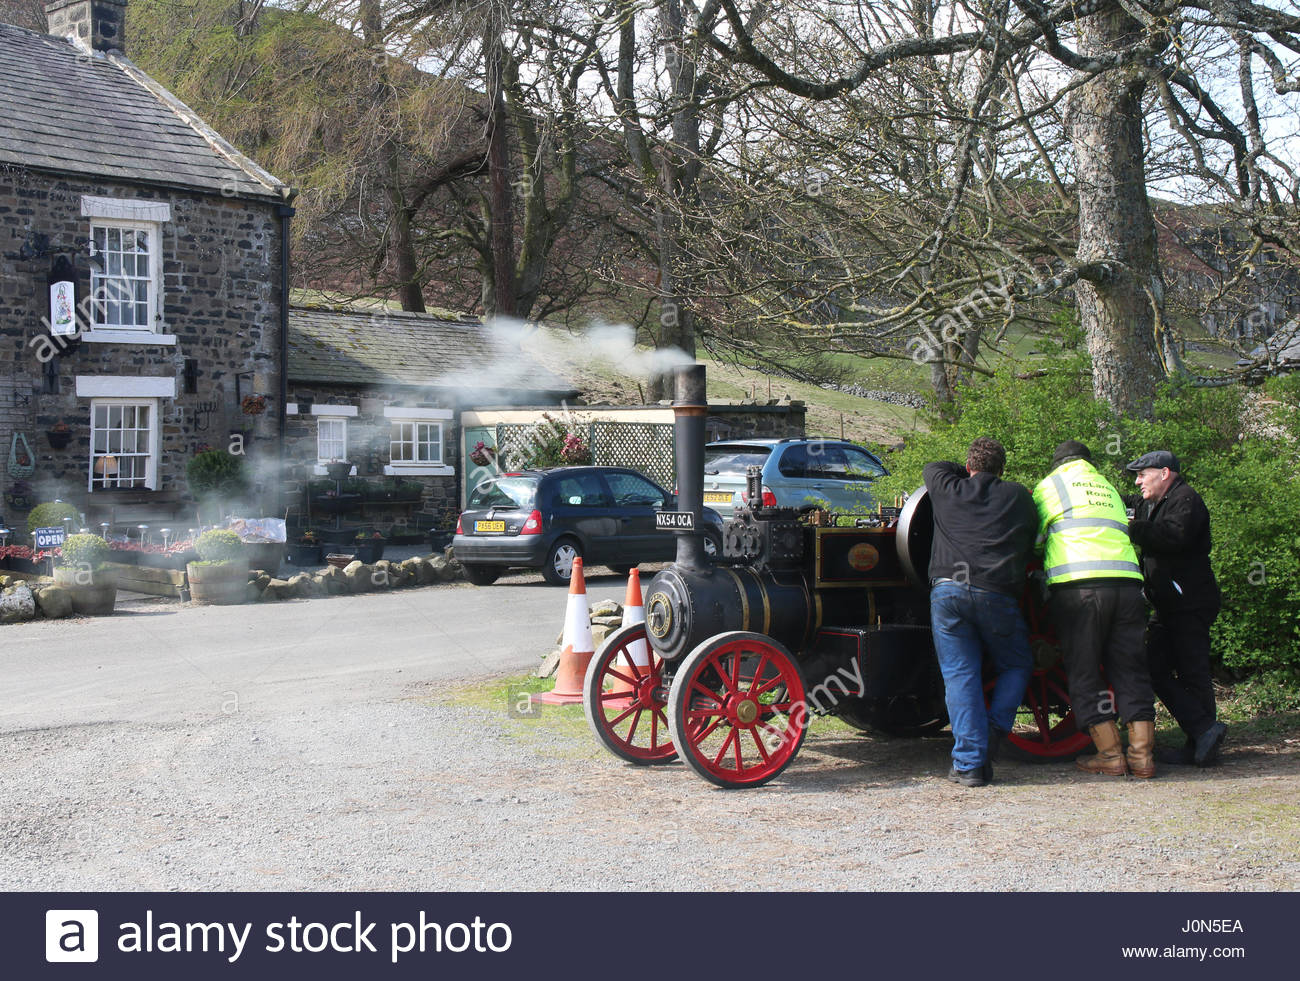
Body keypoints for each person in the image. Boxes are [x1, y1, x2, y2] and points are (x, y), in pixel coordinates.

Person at [1032, 440, 1156, 778]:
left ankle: (1111, 755)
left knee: (1085, 669)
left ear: (1058, 463)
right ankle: (1143, 757)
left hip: (1079, 588)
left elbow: (1033, 539)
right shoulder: (1108, 488)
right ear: (1088, 462)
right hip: (1128, 586)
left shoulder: (1051, 486)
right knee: (1130, 669)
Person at [923, 437, 1037, 788]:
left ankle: (969, 764)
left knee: (960, 675)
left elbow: (934, 467)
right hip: (996, 592)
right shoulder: (1018, 496)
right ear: (1003, 469)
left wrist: (967, 471)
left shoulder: (947, 485)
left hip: (948, 591)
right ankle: (994, 728)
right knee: (1017, 663)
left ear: (969, 466)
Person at [1125, 450, 1226, 766]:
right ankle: (1202, 732)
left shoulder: (1186, 500)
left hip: (1189, 602)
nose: (1138, 481)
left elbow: (1174, 537)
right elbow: (1127, 504)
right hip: (1168, 603)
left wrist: (1133, 528)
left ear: (1164, 473)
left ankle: (1202, 738)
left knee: (1193, 670)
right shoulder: (1152, 502)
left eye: (1143, 474)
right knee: (1153, 667)